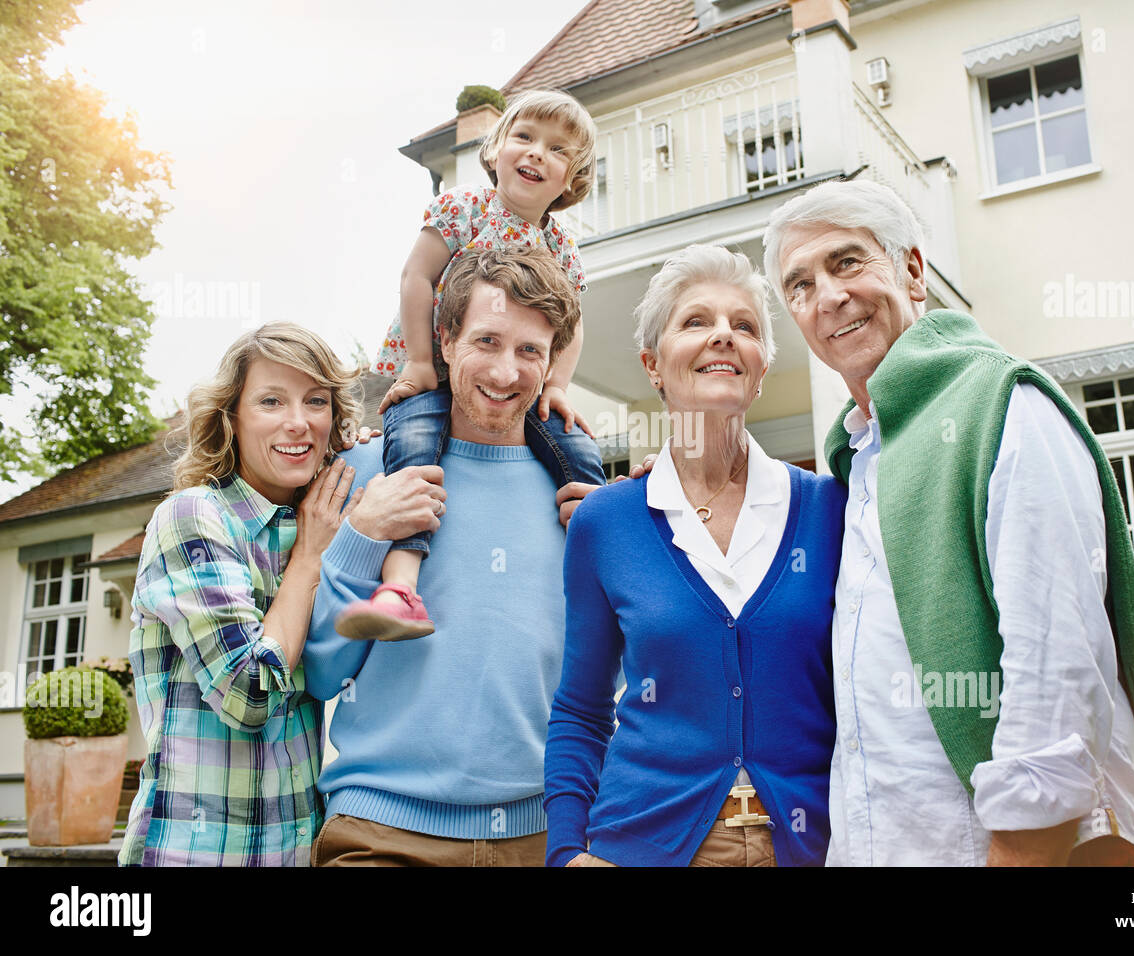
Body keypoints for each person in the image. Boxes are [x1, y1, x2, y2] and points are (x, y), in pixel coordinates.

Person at [763, 178, 1134, 866]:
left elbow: (1053, 660)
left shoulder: (1003, 406)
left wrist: (1018, 845)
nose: (827, 297)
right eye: (799, 286)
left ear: (913, 270)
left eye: (847, 262)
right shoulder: (855, 459)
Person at [543, 245, 845, 867]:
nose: (723, 337)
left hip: (809, 846)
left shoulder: (830, 509)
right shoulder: (606, 522)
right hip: (640, 846)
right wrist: (568, 852)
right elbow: (580, 708)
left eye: (745, 326)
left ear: (761, 368)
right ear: (654, 365)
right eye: (696, 321)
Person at [304, 245, 582, 866]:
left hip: (546, 837)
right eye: (487, 341)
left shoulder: (575, 499)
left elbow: (610, 680)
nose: (507, 372)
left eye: (529, 351)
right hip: (381, 832)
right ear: (447, 340)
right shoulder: (364, 475)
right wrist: (362, 537)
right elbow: (322, 675)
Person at [117, 323, 425, 866]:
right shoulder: (194, 517)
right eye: (270, 401)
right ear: (230, 418)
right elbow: (249, 693)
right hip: (194, 853)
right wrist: (309, 558)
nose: (298, 422)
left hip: (296, 851)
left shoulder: (324, 517)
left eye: (316, 401)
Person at [339, 89, 606, 641]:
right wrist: (419, 361)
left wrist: (556, 385)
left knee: (579, 450)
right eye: (524, 137)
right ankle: (402, 588)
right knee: (413, 452)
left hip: (517, 387)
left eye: (557, 149)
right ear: (497, 148)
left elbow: (573, 325)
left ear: (571, 179)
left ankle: (600, 568)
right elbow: (417, 278)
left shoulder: (561, 246)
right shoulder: (464, 209)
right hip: (436, 369)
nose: (535, 153)